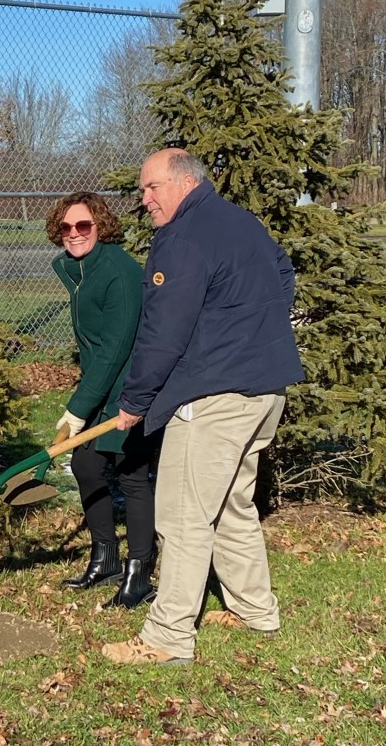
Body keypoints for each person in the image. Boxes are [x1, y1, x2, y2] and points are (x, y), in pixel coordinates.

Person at [103, 148, 303, 666]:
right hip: (265, 389)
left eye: (152, 187)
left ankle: (168, 637)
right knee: (233, 503)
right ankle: (255, 609)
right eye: (142, 189)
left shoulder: (183, 239)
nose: (144, 199)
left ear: (185, 183)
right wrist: (250, 331)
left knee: (184, 514)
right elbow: (284, 277)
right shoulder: (241, 221)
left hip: (213, 395)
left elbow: (163, 331)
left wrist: (135, 400)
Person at [47, 191, 160, 608]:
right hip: (103, 383)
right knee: (86, 463)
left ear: (101, 226)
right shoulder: (79, 270)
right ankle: (106, 556)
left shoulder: (117, 271)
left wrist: (78, 410)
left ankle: (140, 572)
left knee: (131, 475)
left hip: (131, 385)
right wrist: (85, 401)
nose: (74, 234)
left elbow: (117, 347)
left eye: (84, 226)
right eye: (66, 227)